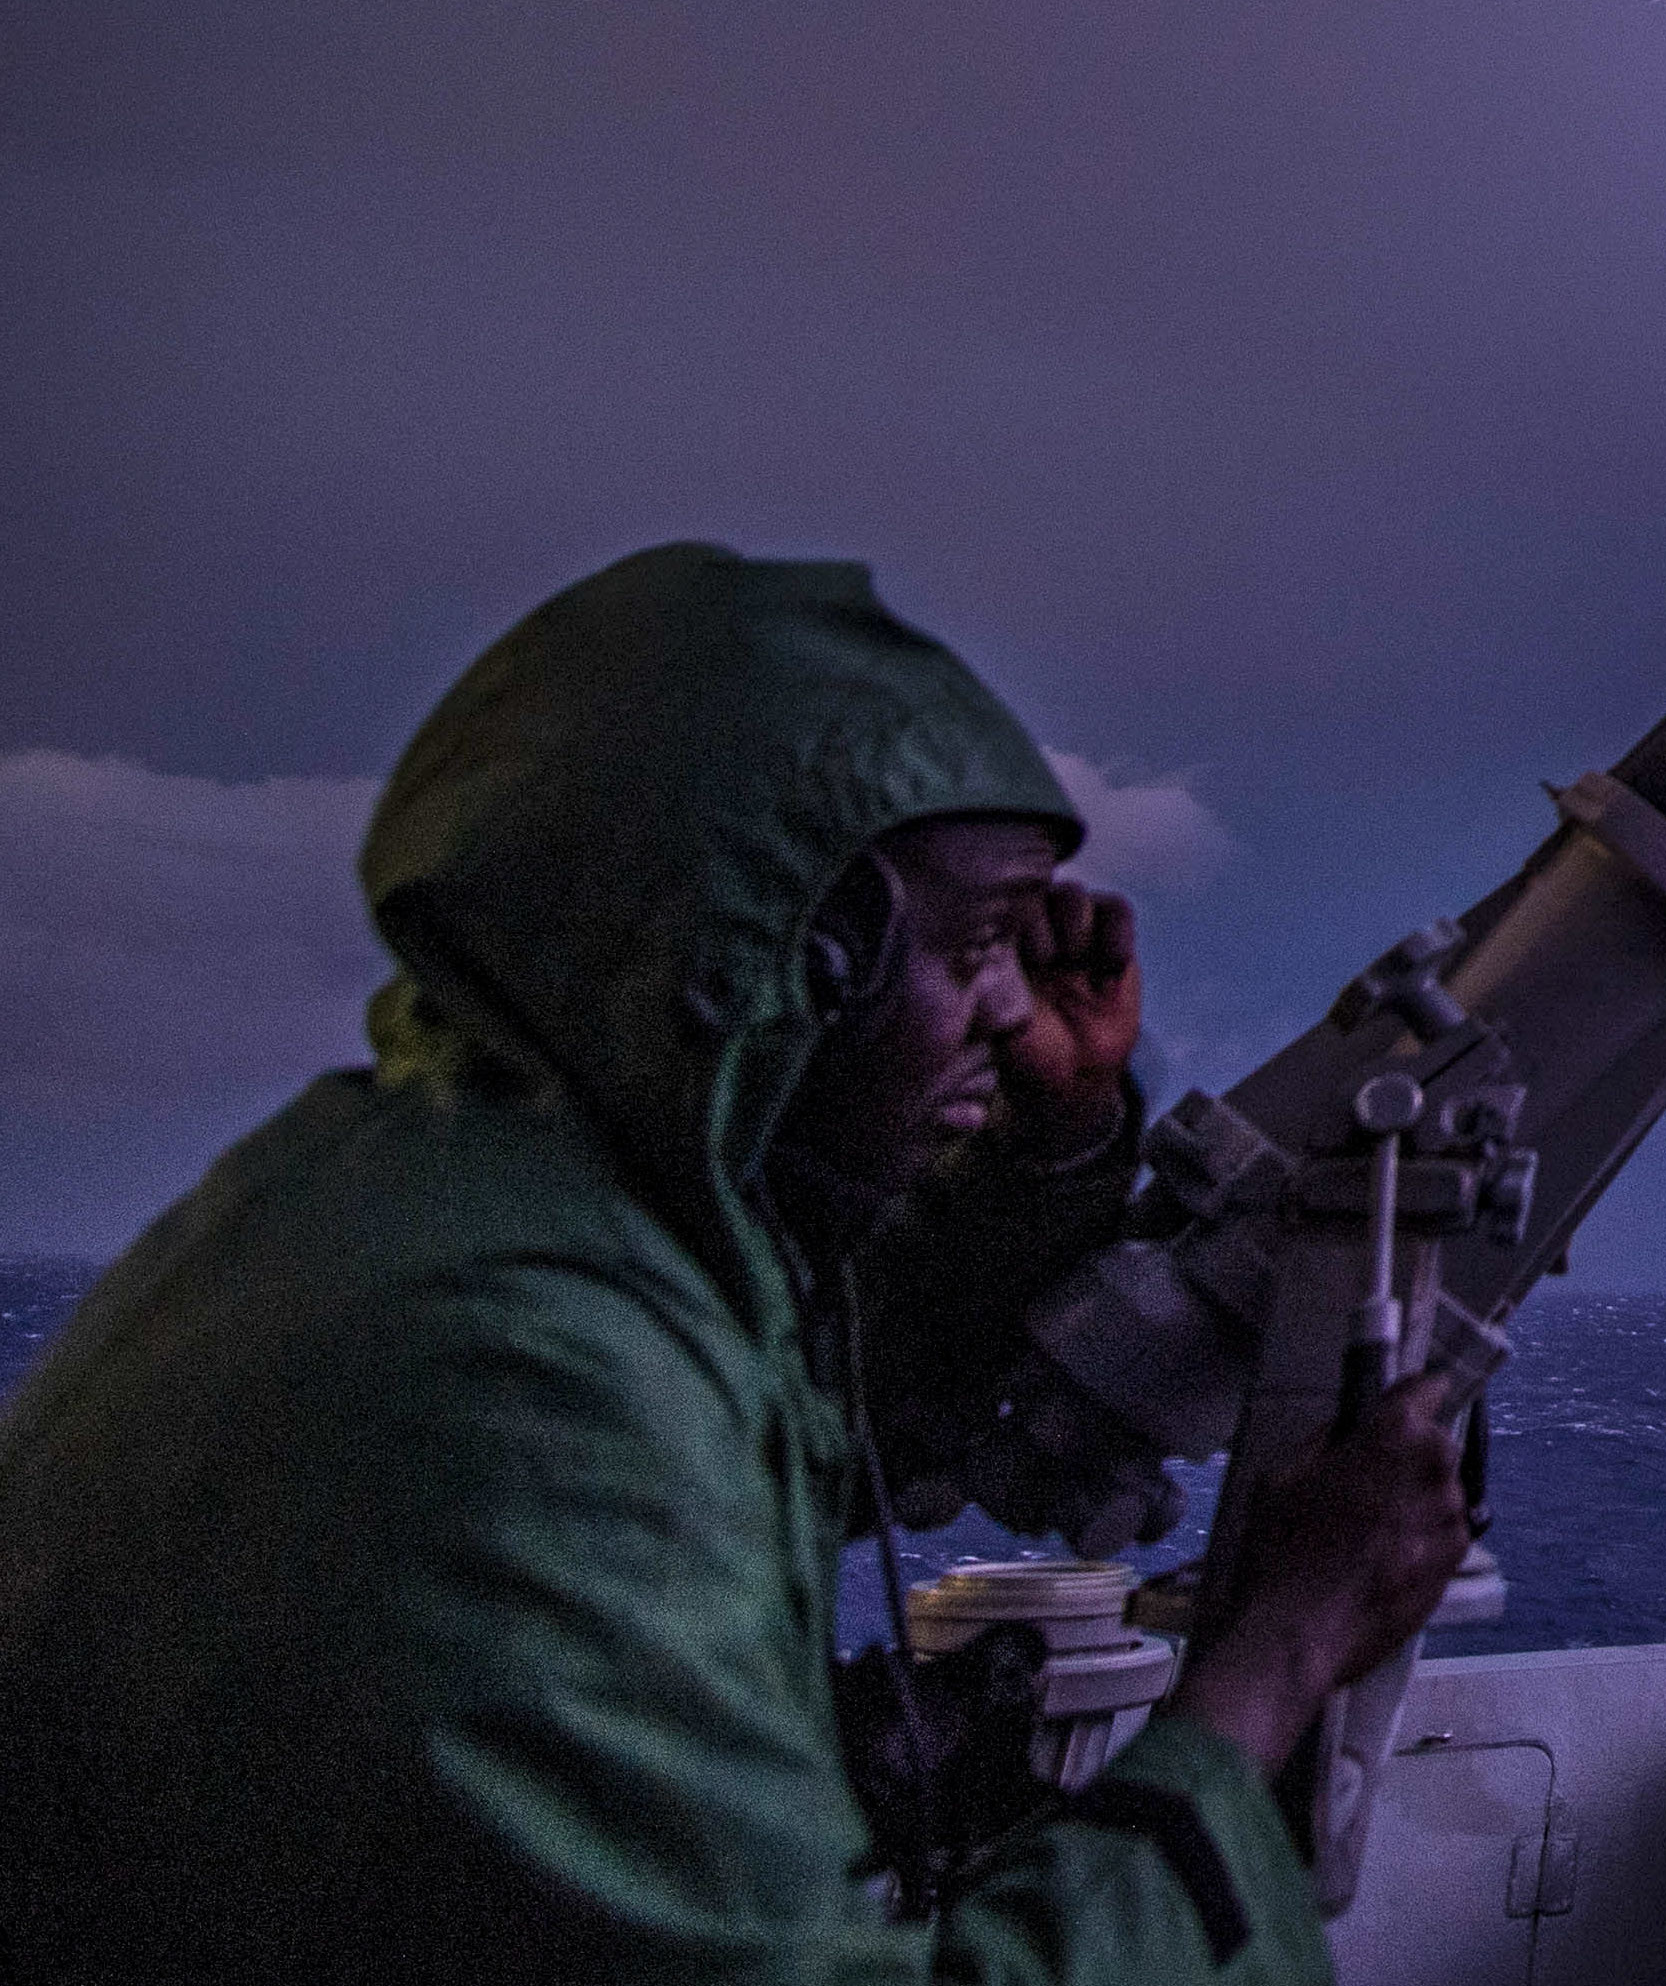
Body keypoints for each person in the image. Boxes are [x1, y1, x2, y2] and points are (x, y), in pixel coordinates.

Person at [0, 543, 1470, 1984]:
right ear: (792, 963)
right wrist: (1280, 1653)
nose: (1017, 1008)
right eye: (973, 949)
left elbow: (823, 1395)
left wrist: (1054, 1139)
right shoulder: (509, 1383)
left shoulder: (473, 1193)